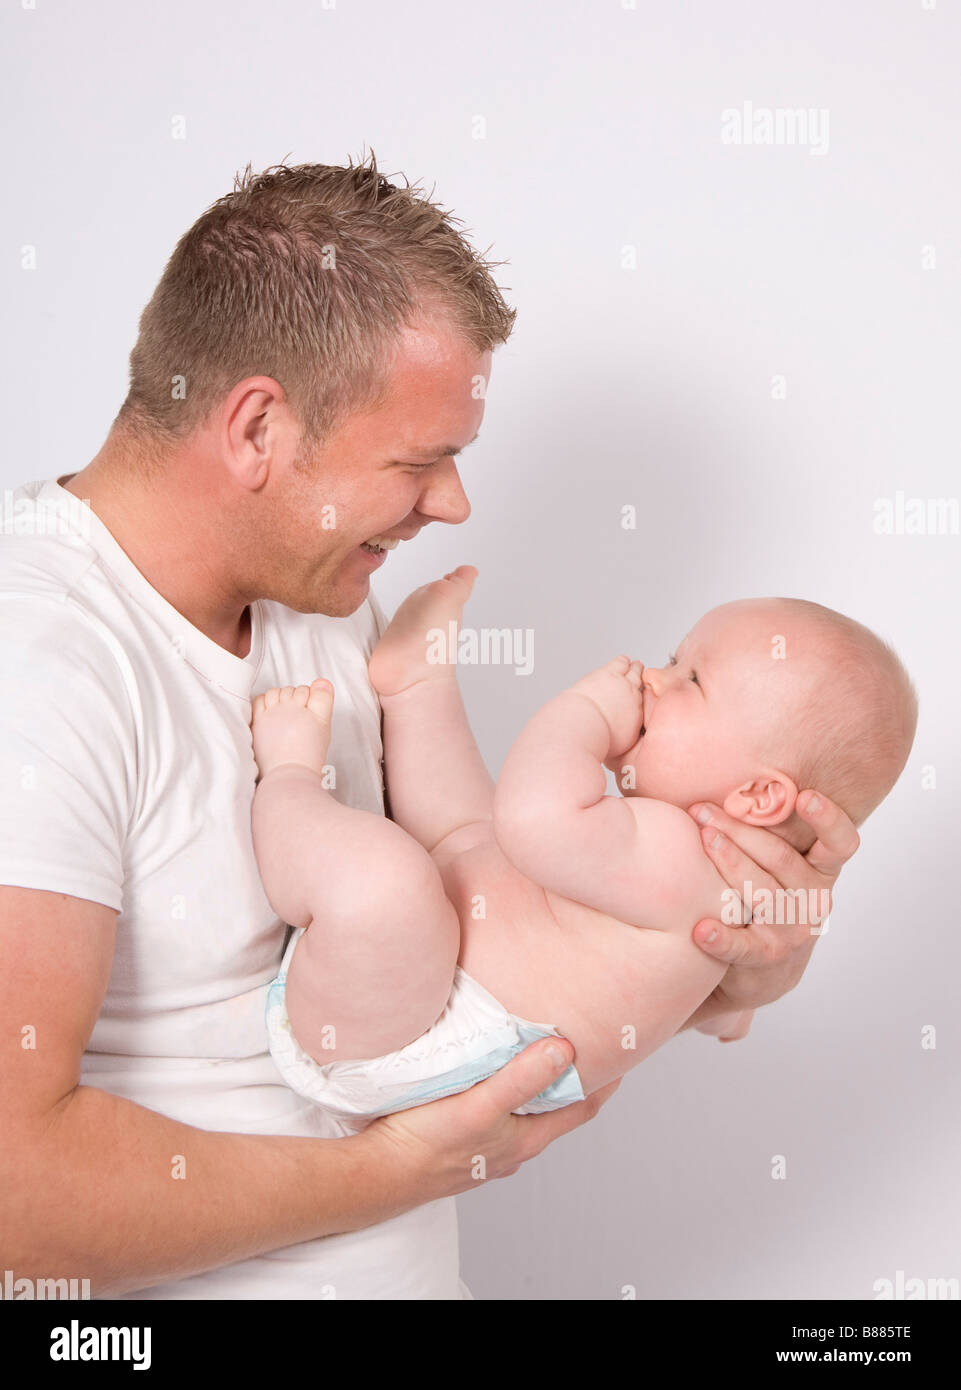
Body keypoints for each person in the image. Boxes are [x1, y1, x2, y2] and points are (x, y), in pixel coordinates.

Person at [0, 155, 861, 1300]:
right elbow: (18, 1189)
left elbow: (504, 915)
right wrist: (399, 1171)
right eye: (419, 461)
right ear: (257, 427)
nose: (453, 504)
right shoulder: (43, 661)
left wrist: (739, 954)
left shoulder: (319, 599)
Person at [250, 577, 915, 1127]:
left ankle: (287, 781)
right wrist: (729, 1015)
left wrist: (588, 713)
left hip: (396, 1036)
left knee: (394, 880)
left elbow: (533, 816)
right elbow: (723, 999)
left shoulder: (681, 855)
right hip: (440, 1017)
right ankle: (415, 688)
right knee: (466, 839)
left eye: (692, 680)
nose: (653, 678)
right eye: (670, 658)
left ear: (759, 794)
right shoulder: (729, 895)